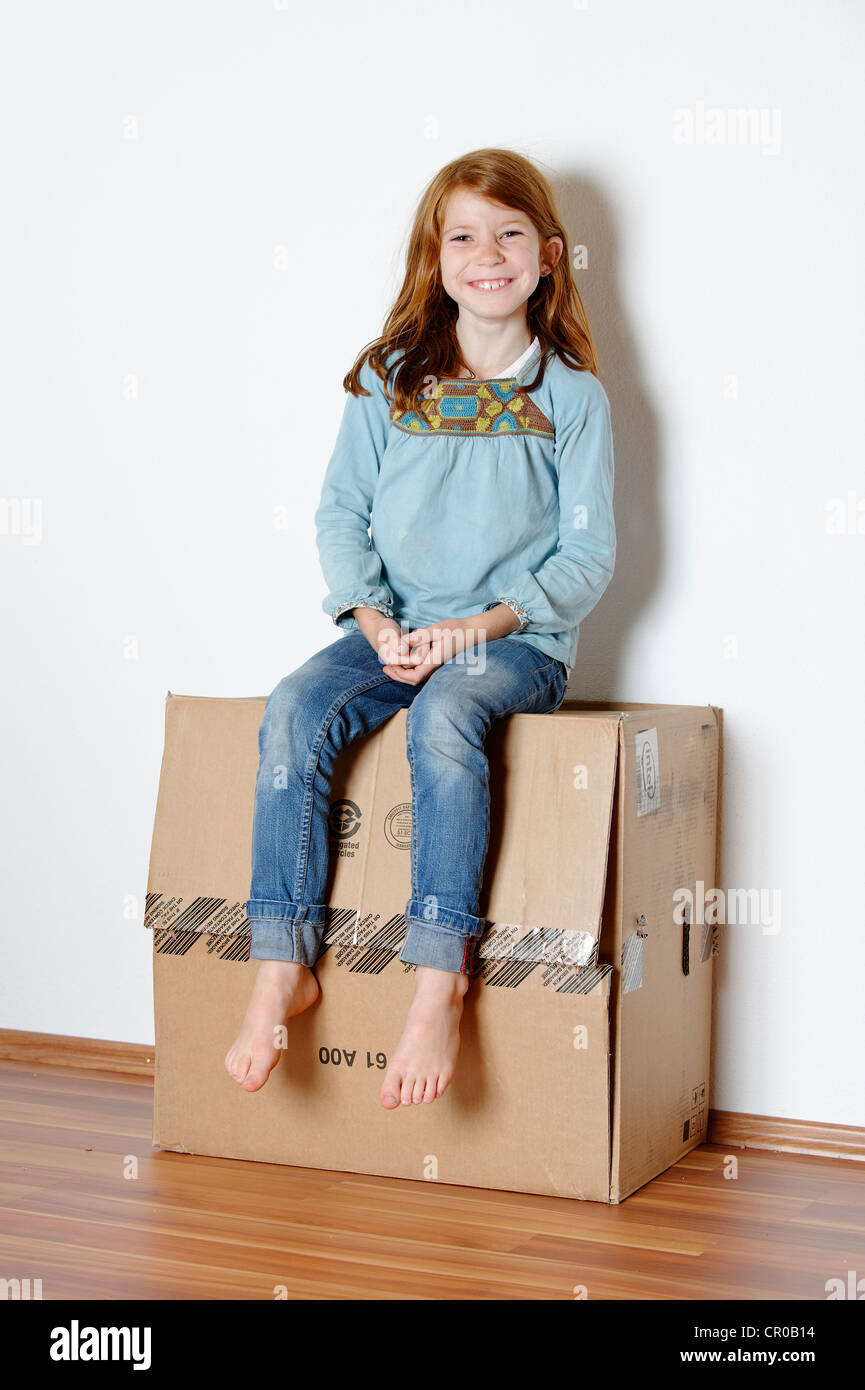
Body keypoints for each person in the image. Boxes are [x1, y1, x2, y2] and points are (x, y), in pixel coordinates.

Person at [225, 146, 616, 1109]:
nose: (488, 254)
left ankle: (437, 982)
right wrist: (374, 617)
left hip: (513, 642)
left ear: (550, 254)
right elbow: (339, 516)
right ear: (433, 259)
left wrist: (469, 632)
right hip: (391, 630)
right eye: (463, 236)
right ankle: (281, 963)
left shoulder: (571, 397)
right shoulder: (387, 380)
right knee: (292, 710)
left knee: (444, 719)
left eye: (510, 234)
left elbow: (585, 558)